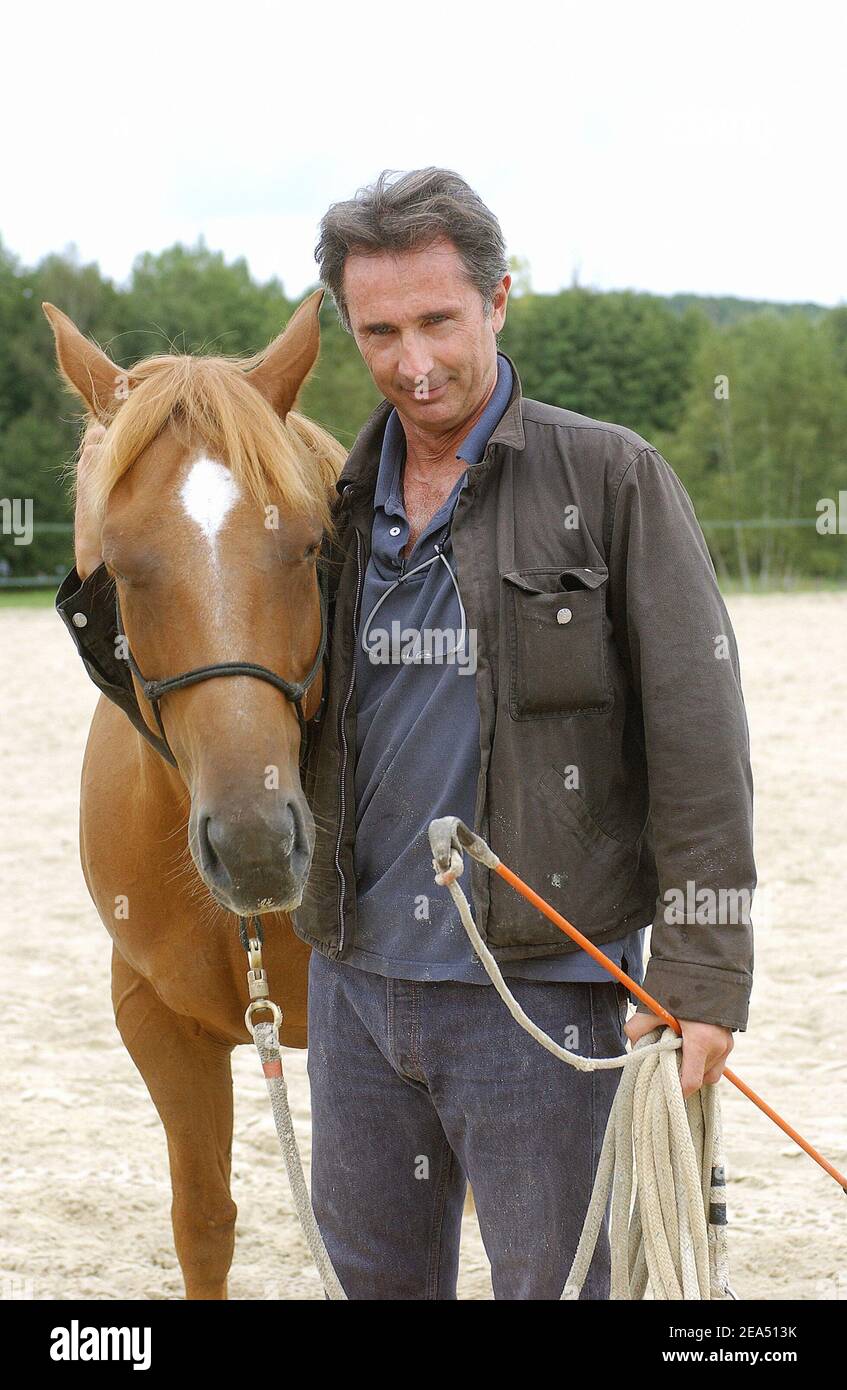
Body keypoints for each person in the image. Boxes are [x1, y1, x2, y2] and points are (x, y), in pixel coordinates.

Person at [57, 167, 755, 1300]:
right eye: (381, 331)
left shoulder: (613, 478)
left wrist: (705, 974)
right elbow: (194, 604)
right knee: (375, 1284)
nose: (414, 360)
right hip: (355, 990)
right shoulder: (321, 505)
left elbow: (700, 741)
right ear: (348, 335)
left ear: (497, 302)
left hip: (536, 988)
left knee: (561, 1283)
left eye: (438, 320)